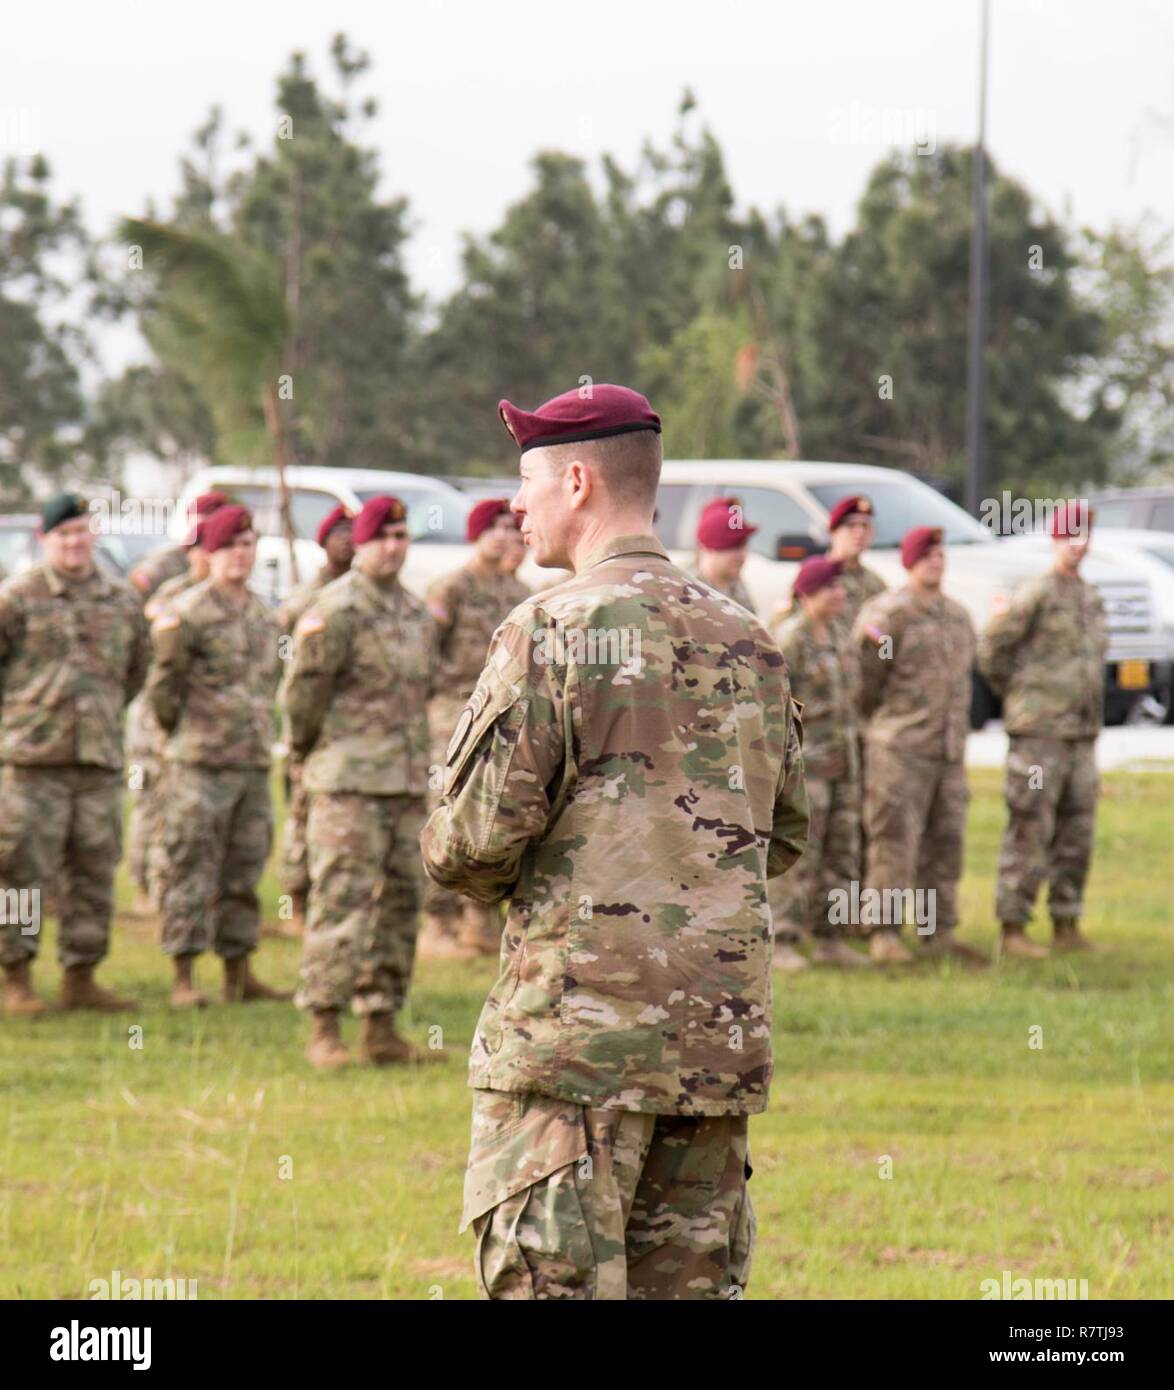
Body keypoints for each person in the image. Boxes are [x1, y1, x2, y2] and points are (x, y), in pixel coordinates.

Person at [421, 384, 808, 1300]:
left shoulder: (550, 628)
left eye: (527, 481)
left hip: (572, 1055)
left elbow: (469, 845)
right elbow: (778, 837)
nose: (517, 503)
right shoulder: (746, 637)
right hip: (710, 1052)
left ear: (580, 481)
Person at [282, 496, 443, 1070]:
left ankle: (381, 1022)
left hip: (402, 781)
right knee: (341, 901)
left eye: (402, 536)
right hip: (347, 780)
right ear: (362, 544)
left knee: (401, 902)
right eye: (383, 537)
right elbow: (302, 696)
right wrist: (305, 755)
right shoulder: (336, 609)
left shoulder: (414, 613)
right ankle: (324, 1025)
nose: (394, 547)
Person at [0, 493, 150, 1014]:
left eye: (83, 531)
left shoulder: (121, 599)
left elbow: (136, 670)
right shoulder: (17, 598)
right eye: (64, 533)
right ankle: (15, 976)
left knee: (93, 870)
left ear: (95, 535)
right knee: (21, 872)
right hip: (31, 763)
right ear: (44, 539)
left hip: (97, 762)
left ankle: (80, 976)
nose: (75, 541)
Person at [146, 505, 288, 1008]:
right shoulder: (187, 612)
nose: (239, 555)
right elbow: (163, 687)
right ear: (209, 551)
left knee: (243, 868)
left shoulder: (264, 614)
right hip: (199, 762)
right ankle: (184, 976)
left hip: (249, 762)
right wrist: (181, 736)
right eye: (229, 545)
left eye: (248, 544)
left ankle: (239, 970)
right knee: (189, 865)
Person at [977, 500, 1105, 958]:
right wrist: (1020, 696)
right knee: (1030, 825)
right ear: (1055, 539)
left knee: (1078, 829)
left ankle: (1066, 921)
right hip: (1040, 732)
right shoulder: (1037, 592)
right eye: (1071, 534)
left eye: (1086, 534)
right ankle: (1013, 927)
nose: (1080, 544)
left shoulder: (1089, 597)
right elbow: (993, 645)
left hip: (1081, 732)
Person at [854, 526, 984, 965]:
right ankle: (884, 934)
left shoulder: (958, 616)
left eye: (941, 553)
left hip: (947, 750)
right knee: (894, 842)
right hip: (900, 747)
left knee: (944, 844)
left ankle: (936, 932)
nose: (936, 560)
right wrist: (888, 724)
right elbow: (865, 682)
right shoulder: (888, 615)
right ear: (909, 561)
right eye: (927, 554)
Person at [418, 499, 530, 960]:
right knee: (447, 807)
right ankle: (437, 920)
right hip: (453, 711)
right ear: (475, 534)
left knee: (493, 813)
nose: (505, 536)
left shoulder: (517, 591)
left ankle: (479, 918)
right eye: (495, 528)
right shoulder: (451, 588)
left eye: (511, 527)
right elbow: (426, 652)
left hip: (502, 715)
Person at [124, 491, 229, 912]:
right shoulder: (170, 589)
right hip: (155, 718)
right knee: (151, 799)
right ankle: (146, 887)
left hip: (198, 724)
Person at [769, 557, 869, 970]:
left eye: (841, 587)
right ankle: (785, 940)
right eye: (830, 588)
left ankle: (831, 937)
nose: (840, 594)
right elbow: (775, 703)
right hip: (808, 766)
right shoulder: (791, 640)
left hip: (843, 765)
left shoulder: (842, 635)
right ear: (807, 593)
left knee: (841, 853)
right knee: (801, 855)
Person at [275, 505, 355, 936]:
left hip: (349, 730)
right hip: (309, 723)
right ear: (322, 542)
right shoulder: (303, 603)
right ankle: (294, 904)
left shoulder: (362, 597)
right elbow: (285, 668)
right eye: (338, 531)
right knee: (301, 816)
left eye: (353, 530)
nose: (348, 538)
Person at [825, 495, 886, 632]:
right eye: (851, 526)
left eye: (865, 526)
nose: (859, 533)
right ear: (834, 532)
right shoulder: (817, 579)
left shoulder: (875, 583)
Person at [691, 496, 758, 612]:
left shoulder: (735, 584)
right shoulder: (687, 590)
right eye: (733, 546)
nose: (742, 555)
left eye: (743, 546)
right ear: (709, 548)